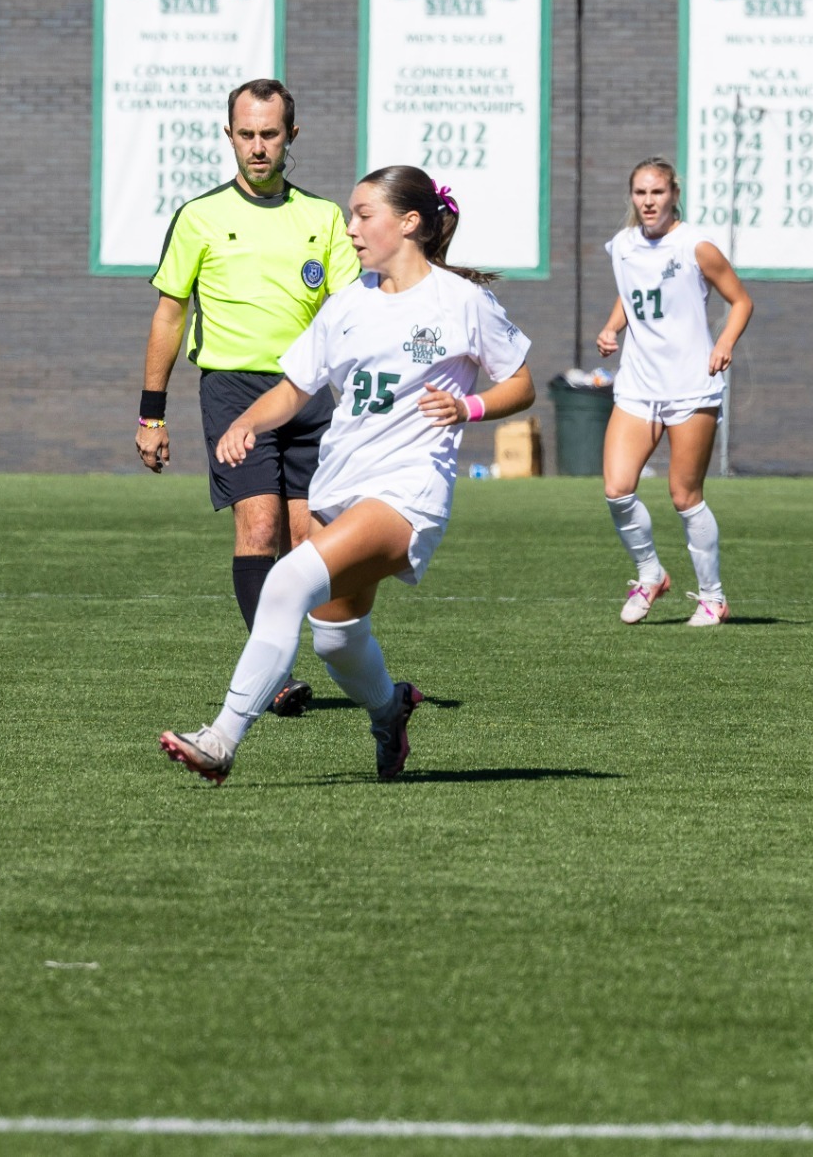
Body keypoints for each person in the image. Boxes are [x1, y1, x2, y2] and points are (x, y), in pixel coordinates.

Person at [158, 165, 534, 784]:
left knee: (286, 582)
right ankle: (391, 713)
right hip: (340, 487)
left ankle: (221, 739)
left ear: (409, 222)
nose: (351, 227)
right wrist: (246, 422)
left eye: (364, 214)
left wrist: (470, 406)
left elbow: (519, 382)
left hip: (407, 492)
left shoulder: (459, 301)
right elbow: (294, 386)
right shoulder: (348, 302)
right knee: (336, 638)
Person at [136, 79, 361, 717]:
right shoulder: (200, 216)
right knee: (258, 526)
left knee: (310, 540)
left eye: (269, 134)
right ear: (229, 136)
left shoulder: (323, 219)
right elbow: (168, 316)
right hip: (234, 391)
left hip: (310, 393)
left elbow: (351, 314)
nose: (257, 147)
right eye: (246, 134)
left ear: (292, 134)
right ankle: (277, 678)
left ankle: (334, 656)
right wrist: (151, 412)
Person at [594, 157, 754, 627]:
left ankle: (712, 597)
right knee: (617, 489)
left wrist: (724, 343)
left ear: (673, 195)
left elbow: (741, 300)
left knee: (684, 496)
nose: (648, 202)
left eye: (657, 193)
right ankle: (651, 575)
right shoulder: (622, 246)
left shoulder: (694, 246)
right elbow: (632, 291)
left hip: (690, 387)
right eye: (640, 193)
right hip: (639, 386)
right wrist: (611, 328)